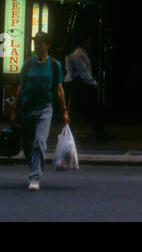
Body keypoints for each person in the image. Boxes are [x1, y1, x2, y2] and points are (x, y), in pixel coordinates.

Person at [11, 32, 69, 190]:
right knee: (28, 145)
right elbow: (21, 88)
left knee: (39, 141)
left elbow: (59, 89)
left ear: (47, 46)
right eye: (35, 43)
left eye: (40, 43)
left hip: (45, 107)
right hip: (27, 107)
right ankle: (35, 167)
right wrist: (14, 111)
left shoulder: (54, 65)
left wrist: (64, 111)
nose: (37, 46)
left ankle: (35, 176)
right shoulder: (28, 64)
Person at [64, 33, 110, 142]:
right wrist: (93, 83)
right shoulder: (78, 54)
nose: (90, 43)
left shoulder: (77, 54)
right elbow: (83, 72)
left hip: (76, 83)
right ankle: (93, 133)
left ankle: (79, 133)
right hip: (78, 84)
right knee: (85, 109)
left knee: (78, 110)